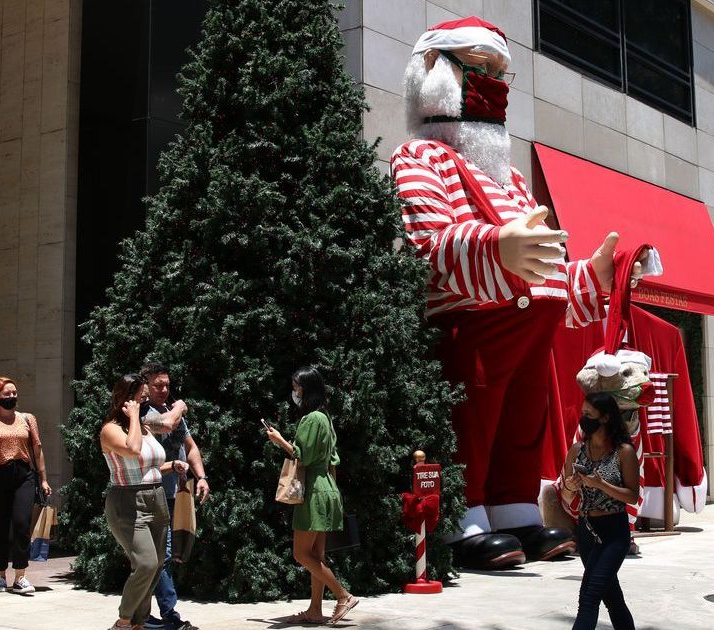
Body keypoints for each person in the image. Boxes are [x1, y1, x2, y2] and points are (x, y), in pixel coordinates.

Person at [393, 16, 658, 568]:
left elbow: (546, 275)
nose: (493, 81)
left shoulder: (510, 178)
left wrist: (594, 279)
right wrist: (496, 248)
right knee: (473, 421)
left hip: (529, 334)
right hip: (473, 329)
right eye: (479, 67)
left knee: (519, 426)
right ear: (432, 71)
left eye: (499, 71)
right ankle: (463, 518)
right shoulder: (419, 159)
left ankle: (514, 510)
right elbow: (427, 245)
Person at [264, 366, 358, 625]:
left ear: (307, 389)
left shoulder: (311, 419)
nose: (294, 392)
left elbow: (300, 455)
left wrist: (279, 439)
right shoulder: (325, 418)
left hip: (314, 491)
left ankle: (343, 595)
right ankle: (315, 610)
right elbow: (333, 460)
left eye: (297, 387)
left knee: (301, 554)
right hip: (327, 488)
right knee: (316, 556)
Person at [101, 374, 190, 630]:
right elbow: (132, 450)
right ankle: (123, 620)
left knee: (158, 564)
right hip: (127, 501)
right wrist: (132, 417)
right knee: (146, 563)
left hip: (156, 496)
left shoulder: (145, 426)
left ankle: (138, 623)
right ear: (125, 399)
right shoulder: (111, 429)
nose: (144, 401)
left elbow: (148, 464)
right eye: (140, 396)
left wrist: (172, 465)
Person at [138, 362, 208, 630]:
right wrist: (180, 406)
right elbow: (166, 425)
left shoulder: (171, 412)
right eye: (158, 385)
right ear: (145, 386)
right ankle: (169, 616)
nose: (164, 389)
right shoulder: (143, 414)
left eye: (167, 384)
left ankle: (141, 615)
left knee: (164, 556)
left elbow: (190, 447)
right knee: (160, 556)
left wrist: (201, 477)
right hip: (151, 494)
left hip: (176, 495)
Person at [561, 394, 639, 630]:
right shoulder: (577, 450)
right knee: (612, 597)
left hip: (614, 532)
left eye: (589, 415)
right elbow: (565, 496)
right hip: (586, 531)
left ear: (605, 417)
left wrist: (601, 484)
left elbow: (632, 496)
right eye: (583, 413)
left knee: (589, 596)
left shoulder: (623, 452)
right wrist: (569, 487)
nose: (583, 419)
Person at [0, 376, 51, 594]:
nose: (12, 397)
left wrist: (44, 478)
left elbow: (37, 449)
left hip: (23, 474)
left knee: (21, 523)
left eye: (14, 393)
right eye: (6, 394)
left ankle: (20, 575)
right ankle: (0, 575)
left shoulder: (27, 418)